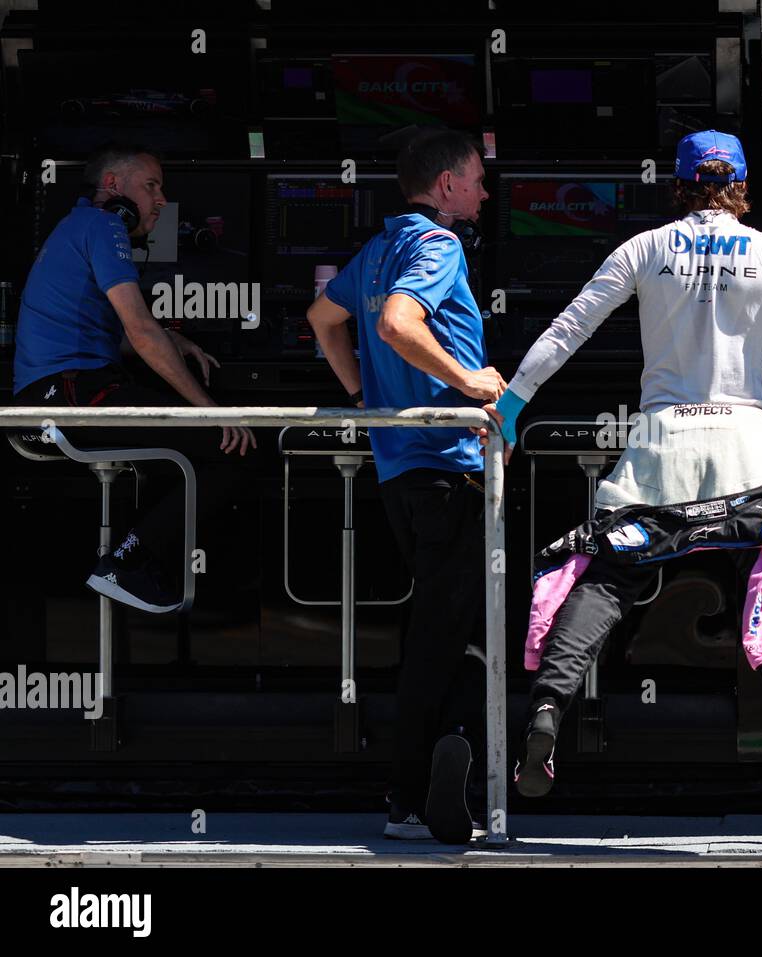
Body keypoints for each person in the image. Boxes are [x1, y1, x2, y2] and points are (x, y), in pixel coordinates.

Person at [473, 130, 762, 809]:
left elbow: (568, 330)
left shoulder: (645, 248)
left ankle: (546, 713)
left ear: (680, 183)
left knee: (608, 577)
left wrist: (511, 405)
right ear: (742, 183)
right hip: (749, 445)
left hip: (661, 447)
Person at [307, 129, 505, 844]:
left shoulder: (379, 248)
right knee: (442, 635)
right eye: (477, 179)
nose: (485, 192)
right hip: (449, 463)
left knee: (444, 627)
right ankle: (413, 798)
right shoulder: (437, 245)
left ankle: (446, 765)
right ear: (447, 184)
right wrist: (472, 380)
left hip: (399, 472)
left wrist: (366, 396)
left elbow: (322, 317)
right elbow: (394, 322)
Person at [11, 142, 255, 614]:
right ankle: (127, 563)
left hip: (55, 396)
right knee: (227, 452)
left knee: (196, 449)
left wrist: (171, 337)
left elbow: (102, 327)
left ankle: (134, 564)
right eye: (151, 186)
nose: (161, 199)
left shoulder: (76, 225)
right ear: (112, 187)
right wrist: (212, 412)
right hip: (68, 397)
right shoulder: (104, 224)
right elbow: (140, 333)